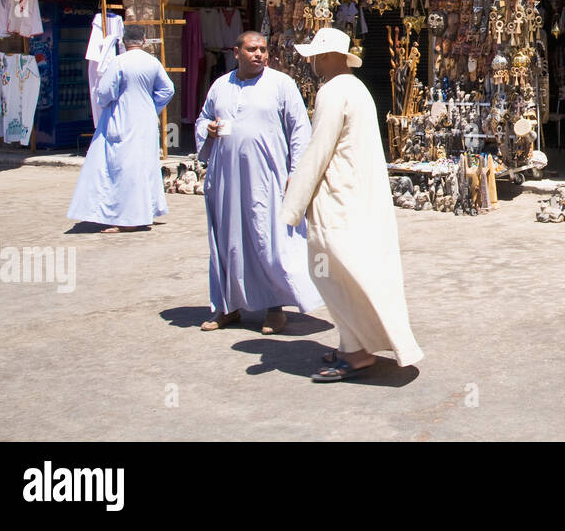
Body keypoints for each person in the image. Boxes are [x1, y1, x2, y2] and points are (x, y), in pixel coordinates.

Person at [280, 28, 424, 382]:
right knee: (347, 269)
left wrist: (293, 205)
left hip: (338, 195)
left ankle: (356, 351)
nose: (313, 62)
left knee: (333, 270)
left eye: (316, 56)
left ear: (327, 56)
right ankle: (354, 343)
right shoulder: (357, 89)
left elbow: (319, 149)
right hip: (357, 193)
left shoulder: (332, 92)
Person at [194, 31, 323, 334]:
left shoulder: (281, 84)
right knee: (228, 243)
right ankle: (227, 307)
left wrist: (296, 172)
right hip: (226, 179)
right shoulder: (220, 86)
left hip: (267, 179)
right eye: (252, 49)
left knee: (267, 240)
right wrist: (207, 129)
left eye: (263, 49)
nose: (259, 54)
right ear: (236, 52)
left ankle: (274, 308)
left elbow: (299, 130)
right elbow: (203, 119)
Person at [66, 25, 175, 233]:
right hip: (145, 121)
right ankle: (144, 212)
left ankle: (126, 218)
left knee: (120, 168)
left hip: (121, 118)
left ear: (124, 42)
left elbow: (104, 92)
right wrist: (152, 107)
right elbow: (167, 89)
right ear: (144, 41)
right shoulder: (153, 62)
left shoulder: (118, 62)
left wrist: (109, 102)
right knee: (144, 167)